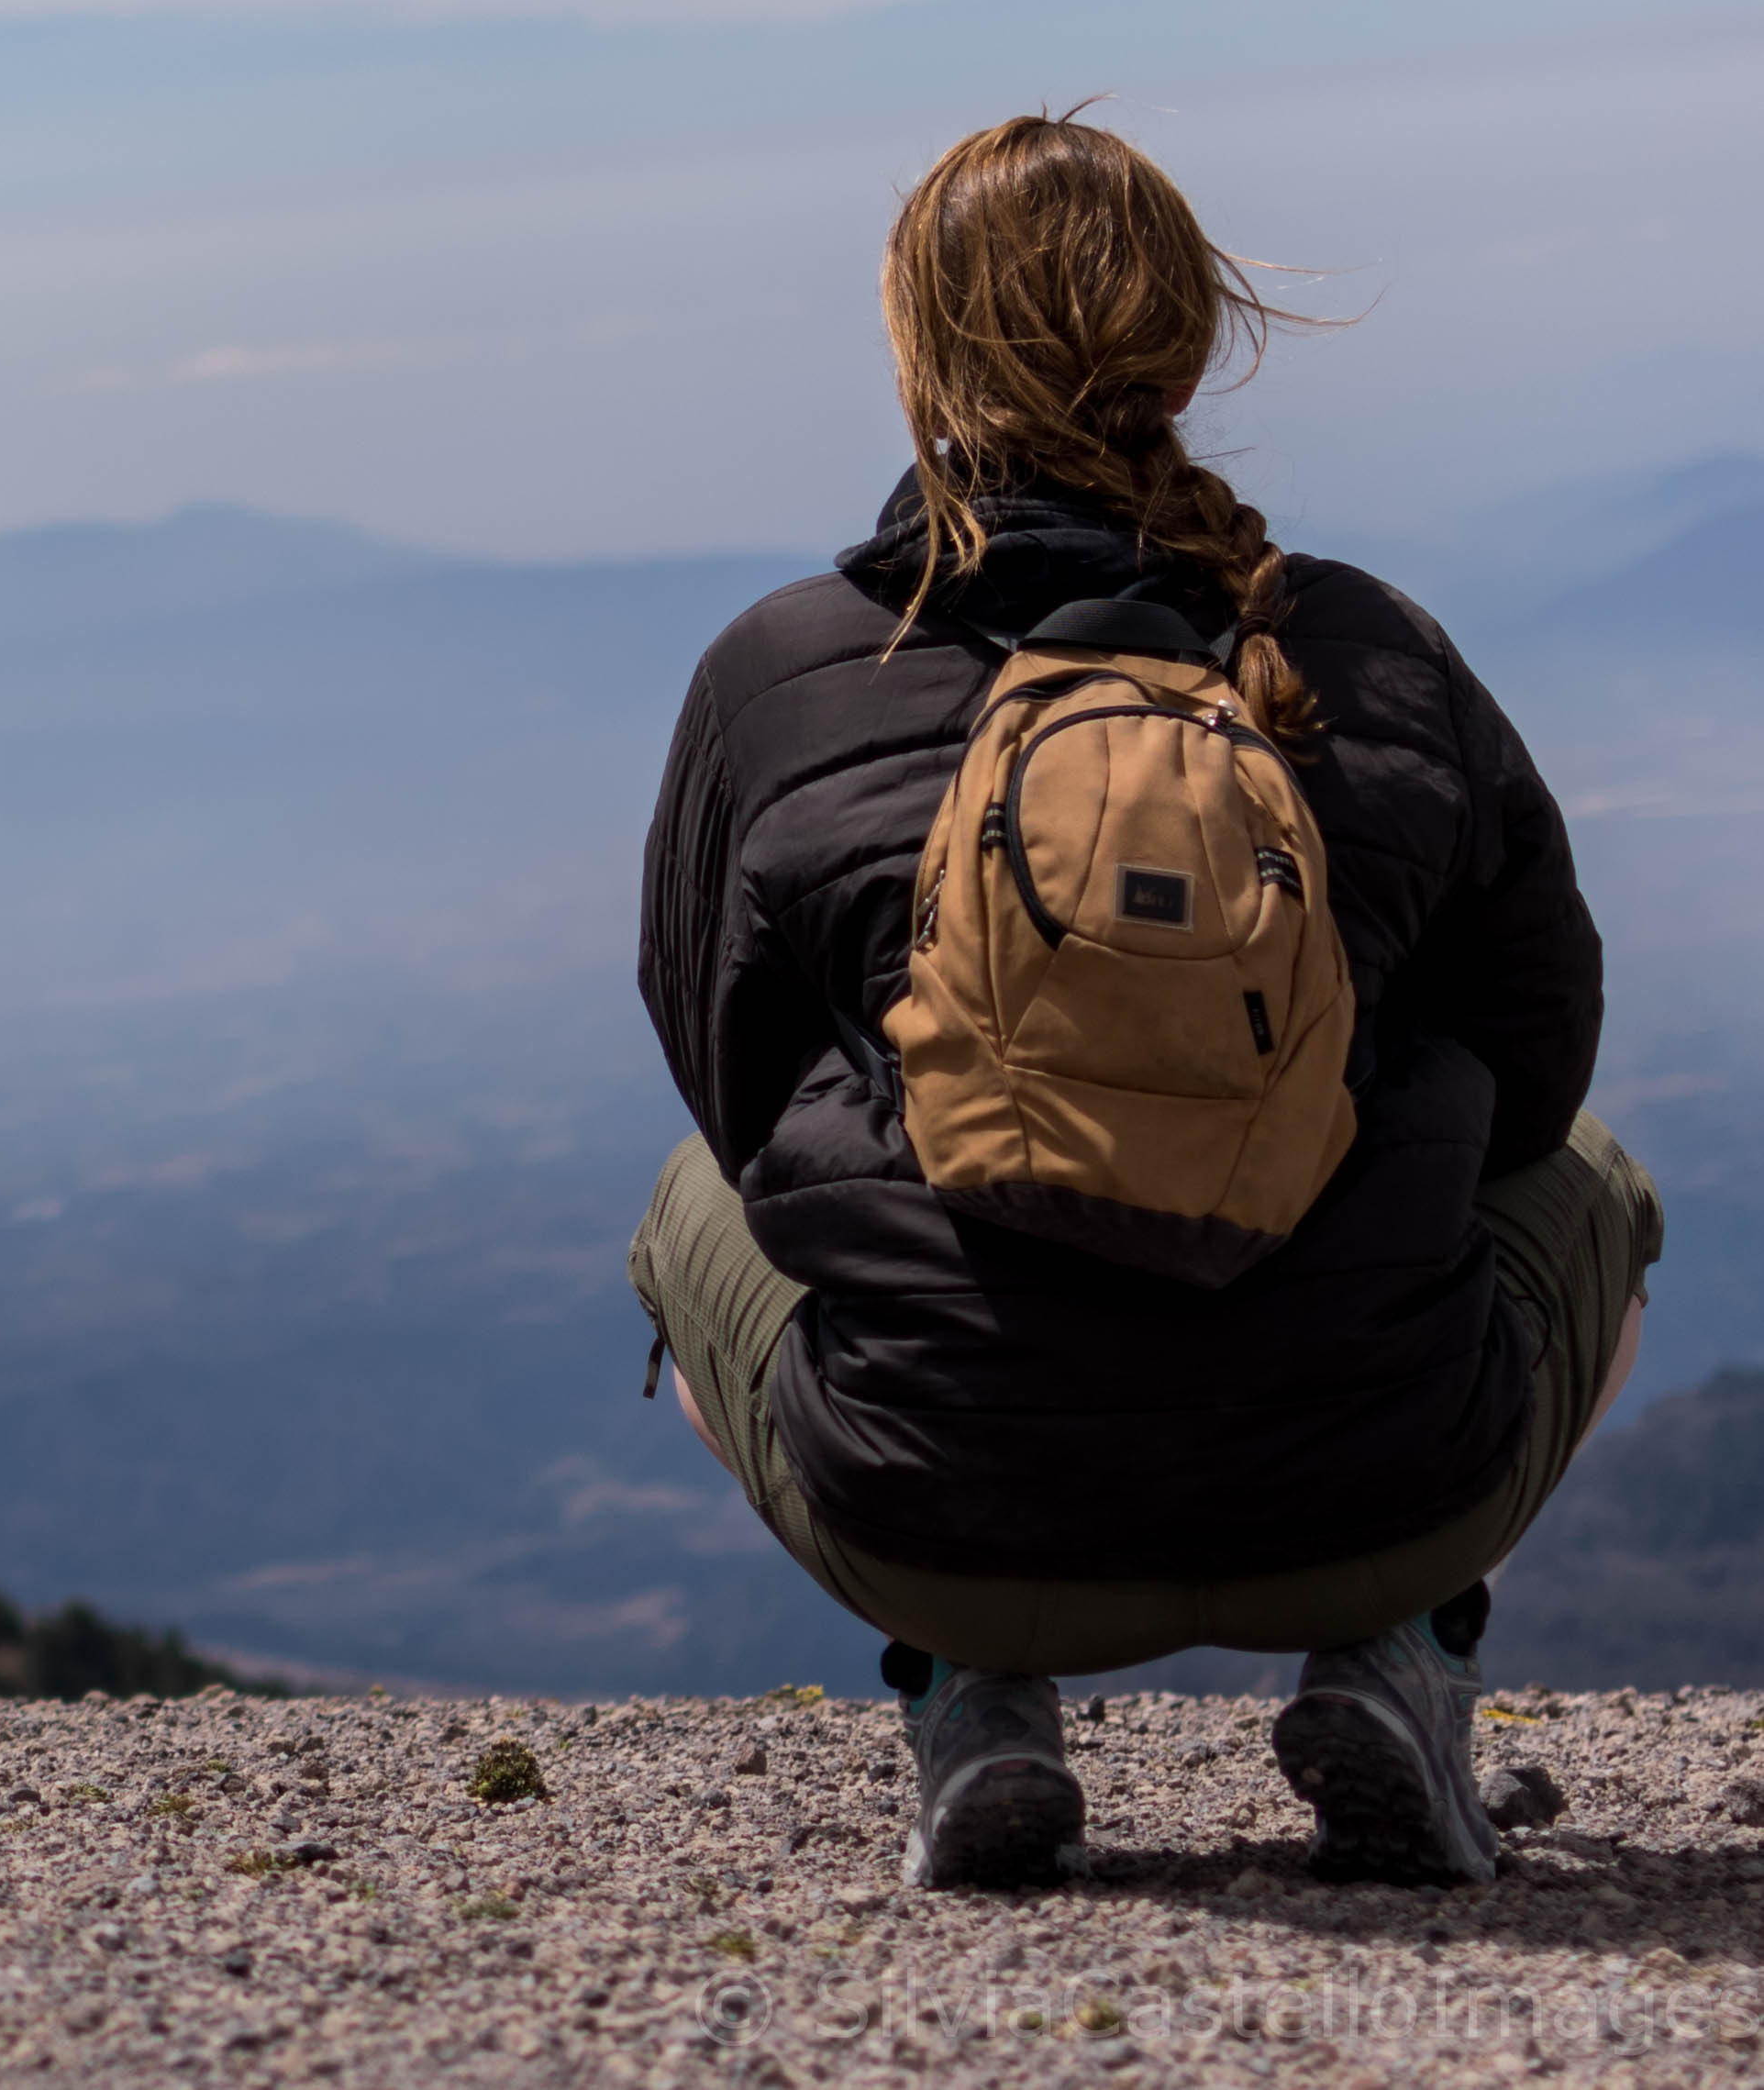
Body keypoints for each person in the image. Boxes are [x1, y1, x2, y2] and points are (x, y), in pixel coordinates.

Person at [631, 110, 1652, 1891]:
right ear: (1193, 339)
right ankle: (1401, 1654)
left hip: (943, 1516)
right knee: (1595, 1180)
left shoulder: (783, 675)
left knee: (687, 1202)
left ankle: (969, 1692)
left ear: (916, 354)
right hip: (1378, 1495)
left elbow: (730, 1081)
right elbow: (1533, 1051)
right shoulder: (1365, 652)